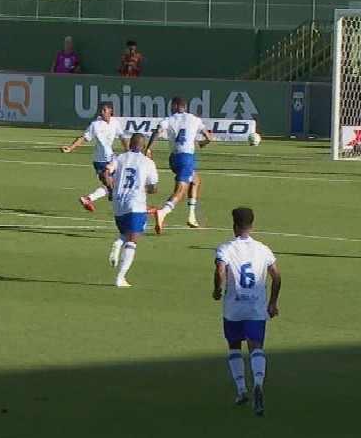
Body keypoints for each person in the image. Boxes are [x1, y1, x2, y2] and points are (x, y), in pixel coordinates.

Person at [212, 207, 281, 416]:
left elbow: (220, 270)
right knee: (256, 347)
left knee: (234, 346)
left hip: (233, 307)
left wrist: (217, 289)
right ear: (252, 225)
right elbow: (277, 276)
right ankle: (258, 383)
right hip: (256, 307)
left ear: (234, 225)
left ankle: (241, 390)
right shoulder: (264, 249)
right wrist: (273, 303)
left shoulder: (225, 248)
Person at [148, 96, 215, 232]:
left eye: (172, 106)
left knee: (195, 180)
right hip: (187, 157)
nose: (171, 108)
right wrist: (204, 143)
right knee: (180, 191)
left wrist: (149, 148)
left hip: (174, 158)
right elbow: (209, 137)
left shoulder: (169, 120)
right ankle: (163, 212)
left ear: (176, 106)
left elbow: (158, 132)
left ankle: (191, 216)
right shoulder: (194, 119)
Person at [104, 133, 159, 288]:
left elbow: (105, 172)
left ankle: (118, 243)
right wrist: (147, 187)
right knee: (133, 240)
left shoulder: (119, 158)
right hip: (136, 203)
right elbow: (154, 187)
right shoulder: (147, 162)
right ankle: (120, 277)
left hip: (118, 203)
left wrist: (110, 188)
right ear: (142, 146)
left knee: (125, 233)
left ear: (130, 144)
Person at [60, 101, 122, 212]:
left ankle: (89, 198)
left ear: (110, 111)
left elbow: (123, 137)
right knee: (112, 185)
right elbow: (84, 138)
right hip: (100, 161)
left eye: (104, 110)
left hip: (112, 158)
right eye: (101, 110)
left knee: (117, 184)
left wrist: (129, 151)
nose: (102, 112)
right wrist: (70, 147)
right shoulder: (95, 125)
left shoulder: (115, 123)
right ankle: (114, 198)